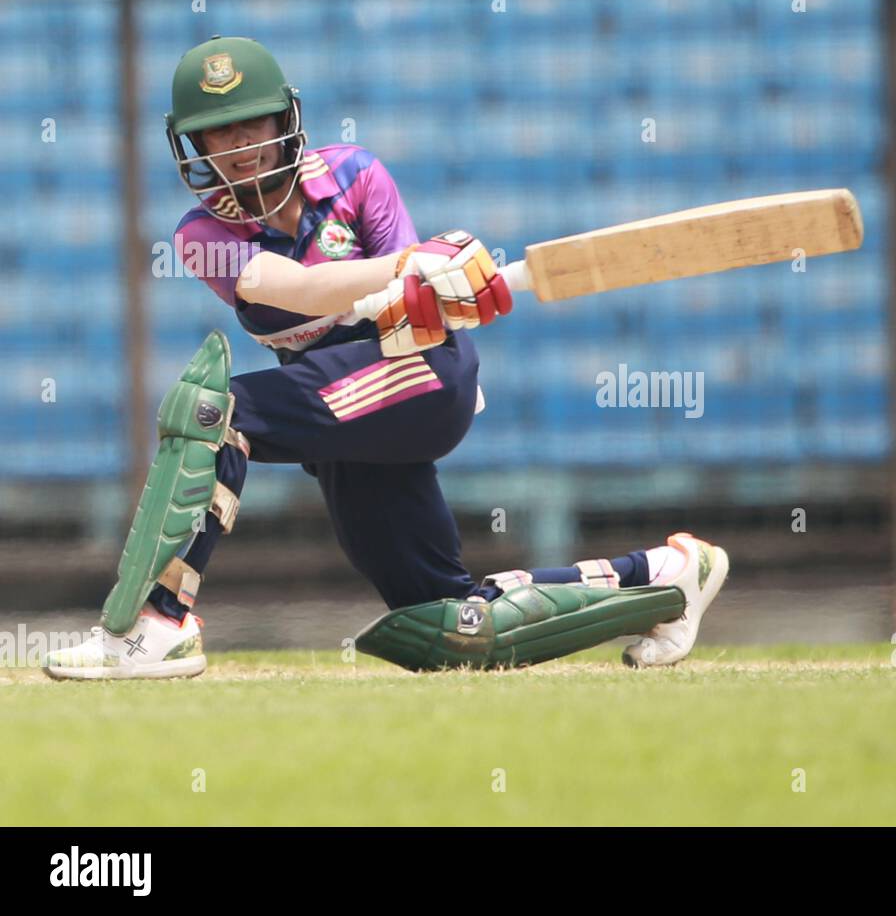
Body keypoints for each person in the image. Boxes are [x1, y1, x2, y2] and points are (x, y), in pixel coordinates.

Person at [43, 36, 727, 680]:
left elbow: (411, 297)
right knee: (449, 624)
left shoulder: (355, 174)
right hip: (341, 413)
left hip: (419, 374)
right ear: (195, 145)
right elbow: (294, 289)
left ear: (287, 117)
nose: (241, 144)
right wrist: (410, 264)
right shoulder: (202, 234)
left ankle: (158, 625)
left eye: (254, 122)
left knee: (215, 412)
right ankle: (666, 576)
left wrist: (443, 288)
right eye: (220, 131)